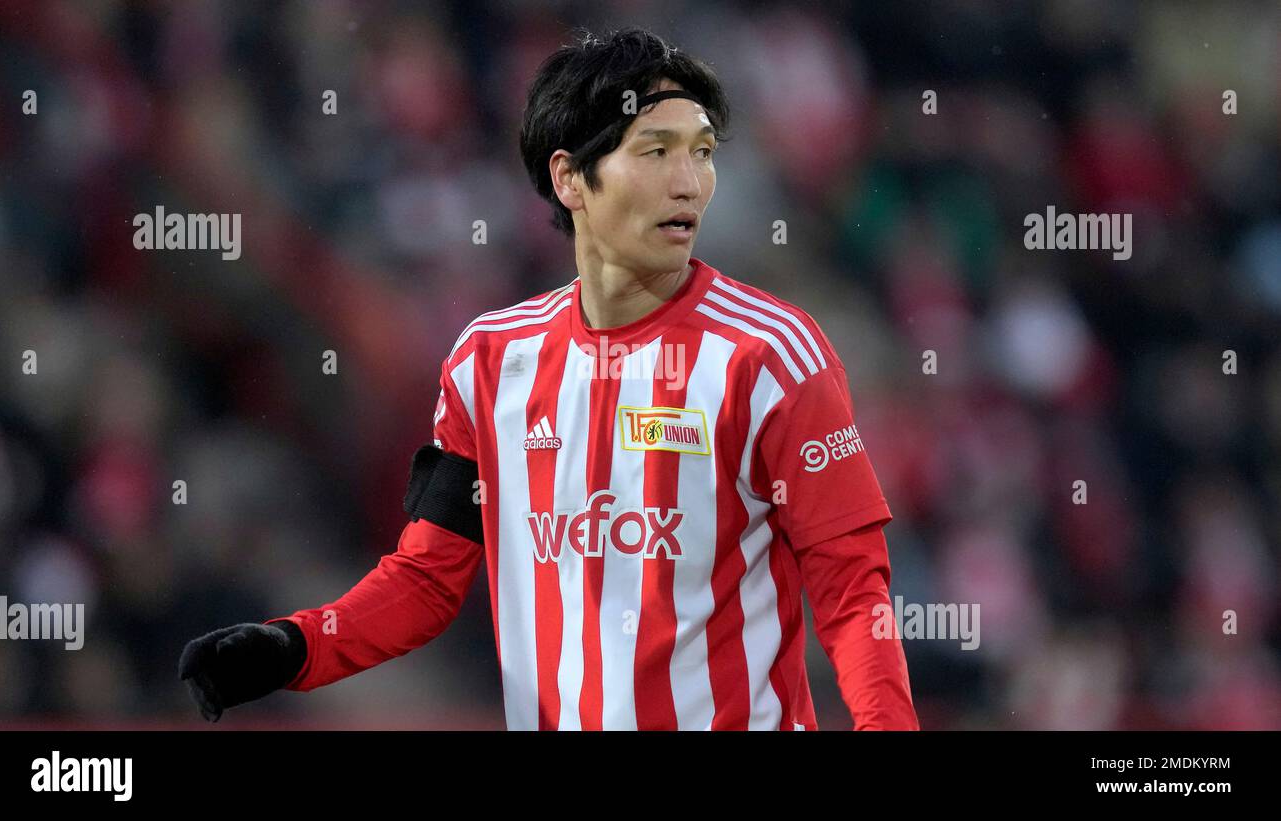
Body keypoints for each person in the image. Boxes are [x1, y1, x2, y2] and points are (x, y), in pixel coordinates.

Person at [180, 26, 919, 731]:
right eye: (656, 151)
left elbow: (854, 594)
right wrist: (297, 646)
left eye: (701, 152)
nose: (689, 181)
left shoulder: (773, 355)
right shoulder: (489, 363)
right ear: (569, 176)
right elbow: (427, 580)